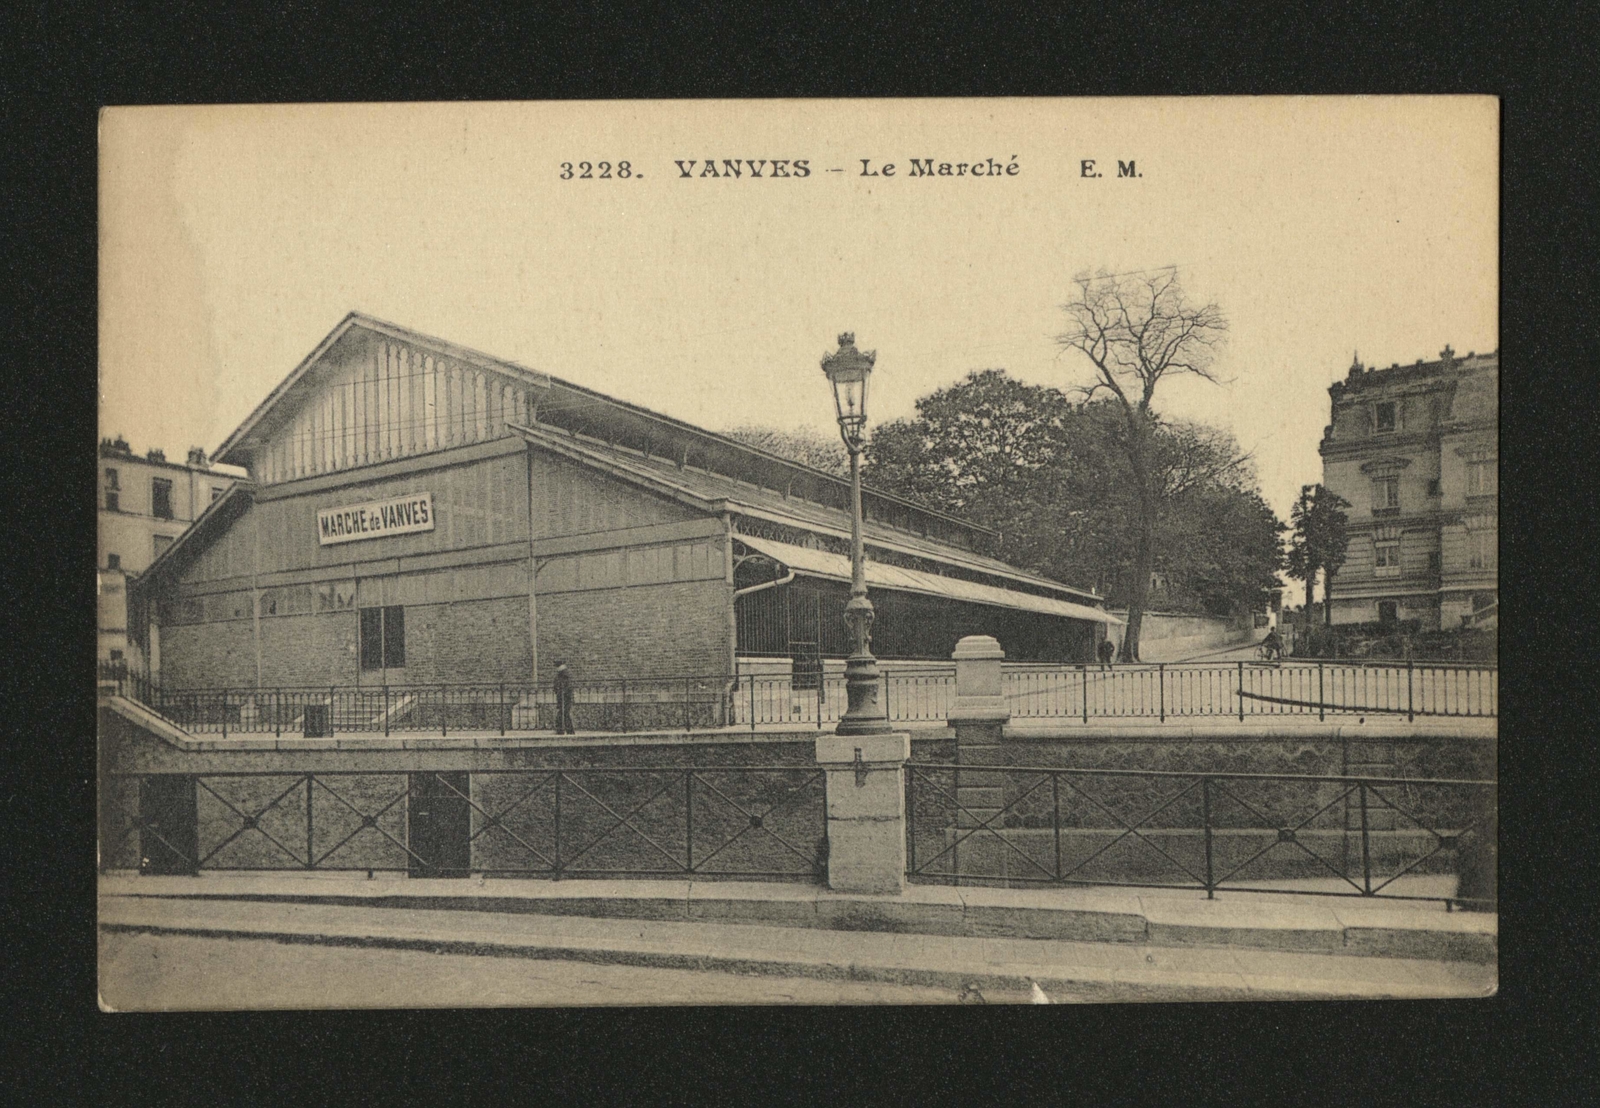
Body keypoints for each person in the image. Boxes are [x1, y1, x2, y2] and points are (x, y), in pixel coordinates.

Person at [553, 661, 575, 735]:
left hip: (565, 698)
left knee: (563, 714)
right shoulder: (562, 675)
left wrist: (562, 691)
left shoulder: (564, 675)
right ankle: (566, 730)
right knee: (563, 714)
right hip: (562, 697)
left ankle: (565, 730)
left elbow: (567, 687)